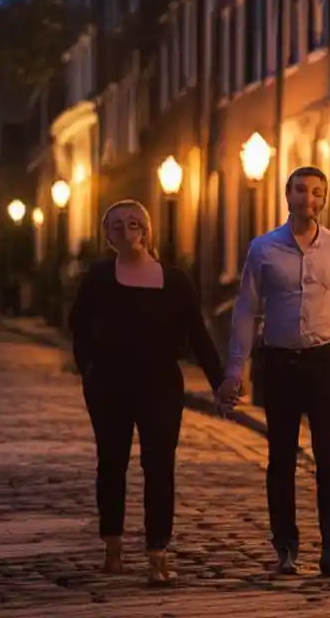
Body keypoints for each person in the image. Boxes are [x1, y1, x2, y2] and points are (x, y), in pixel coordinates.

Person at [220, 166, 330, 578]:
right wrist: (237, 369)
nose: (308, 199)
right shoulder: (263, 249)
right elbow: (247, 309)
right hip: (280, 362)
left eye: (317, 192)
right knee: (280, 458)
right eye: (301, 190)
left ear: (324, 199)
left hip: (325, 362)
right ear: (287, 194)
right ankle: (285, 545)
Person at [69, 199, 226, 586]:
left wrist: (221, 382)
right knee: (111, 464)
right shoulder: (99, 278)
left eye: (134, 222)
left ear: (147, 229)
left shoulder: (175, 281)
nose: (127, 229)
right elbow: (78, 327)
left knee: (159, 467)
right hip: (109, 385)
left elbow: (199, 334)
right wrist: (88, 370)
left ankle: (158, 552)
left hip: (160, 386)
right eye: (117, 225)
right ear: (108, 236)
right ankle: (113, 546)